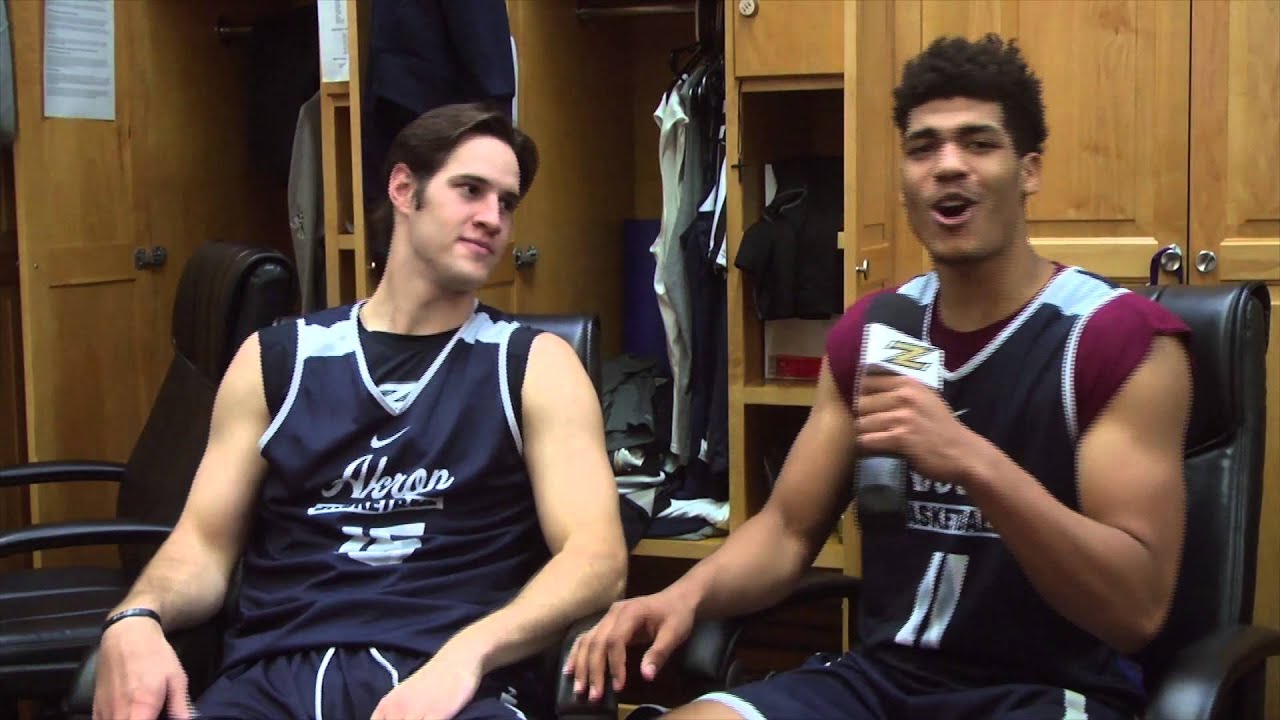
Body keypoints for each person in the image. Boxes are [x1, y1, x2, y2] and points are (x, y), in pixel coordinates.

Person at [568, 34, 1192, 720]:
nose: (947, 166)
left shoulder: (1117, 340)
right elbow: (786, 530)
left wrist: (972, 461)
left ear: (1030, 170)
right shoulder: (878, 332)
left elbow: (1136, 609)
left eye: (978, 143)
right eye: (923, 148)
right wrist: (682, 595)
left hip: (1043, 694)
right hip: (880, 683)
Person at [92, 102, 629, 720]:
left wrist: (469, 656)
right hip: (272, 680)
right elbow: (203, 546)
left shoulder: (534, 365)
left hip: (447, 680)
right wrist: (137, 615)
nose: (492, 218)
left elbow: (597, 559)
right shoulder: (276, 359)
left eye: (506, 203)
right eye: (470, 190)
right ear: (405, 189)